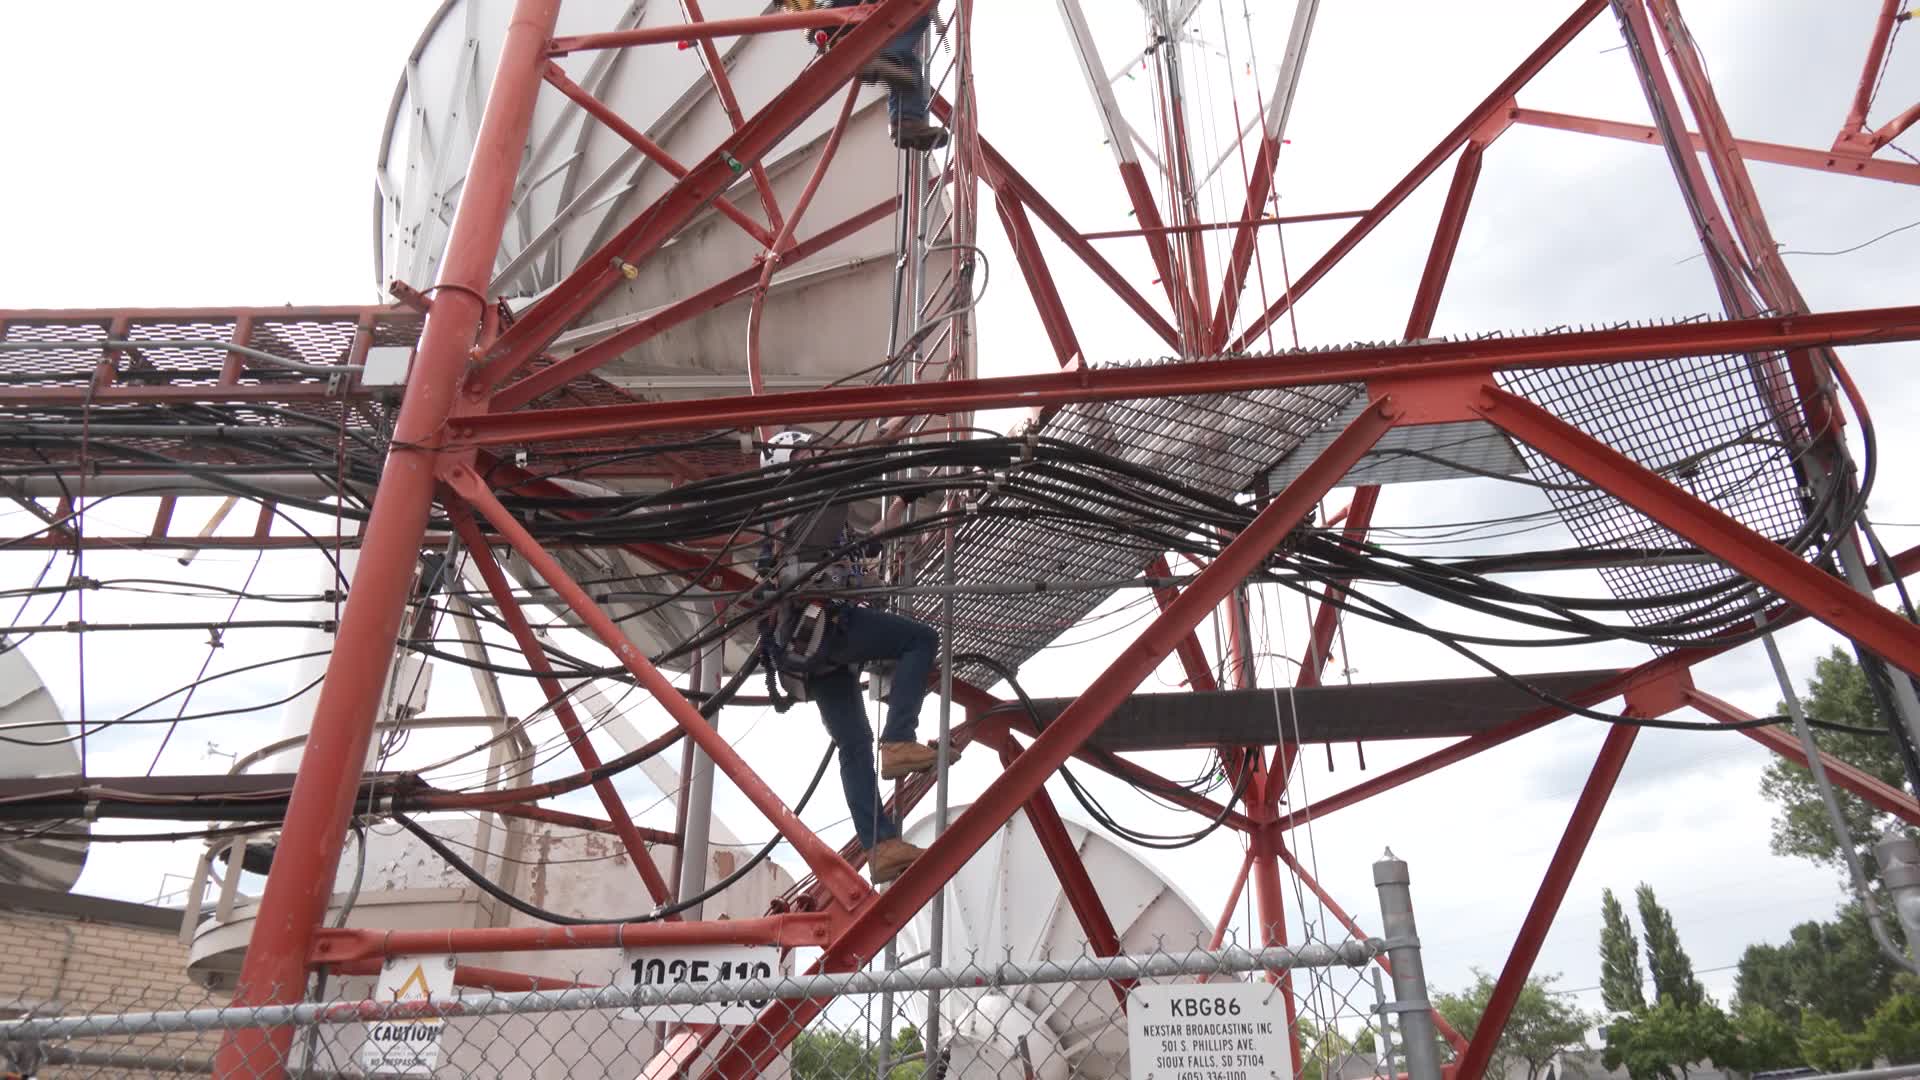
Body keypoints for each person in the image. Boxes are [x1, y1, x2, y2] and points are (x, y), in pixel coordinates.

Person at [758, 430, 947, 883]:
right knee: (919, 640)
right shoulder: (801, 508)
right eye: (808, 453)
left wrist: (903, 502)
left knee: (854, 744)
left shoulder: (813, 521)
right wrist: (884, 438)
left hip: (810, 650)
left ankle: (880, 848)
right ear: (788, 464)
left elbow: (865, 545)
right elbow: (839, 489)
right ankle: (900, 740)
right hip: (827, 626)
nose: (818, 458)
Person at [815, 0, 950, 151]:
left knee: (908, 68)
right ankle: (883, 56)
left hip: (838, 20)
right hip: (844, 13)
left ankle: (908, 122)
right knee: (912, 10)